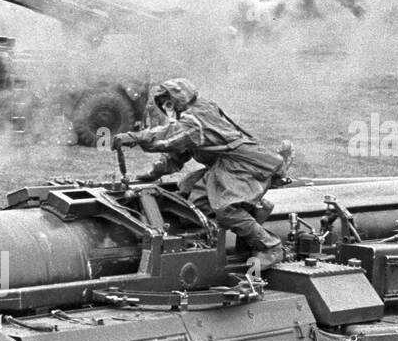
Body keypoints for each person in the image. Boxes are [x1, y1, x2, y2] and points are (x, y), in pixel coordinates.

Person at [113, 78, 289, 273]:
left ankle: (271, 246)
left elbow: (168, 138)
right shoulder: (194, 116)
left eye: (168, 102)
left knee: (225, 209)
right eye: (163, 104)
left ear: (179, 98)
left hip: (241, 165)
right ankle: (253, 218)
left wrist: (134, 137)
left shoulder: (196, 118)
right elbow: (177, 155)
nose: (166, 108)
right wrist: (151, 174)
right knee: (194, 202)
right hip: (226, 166)